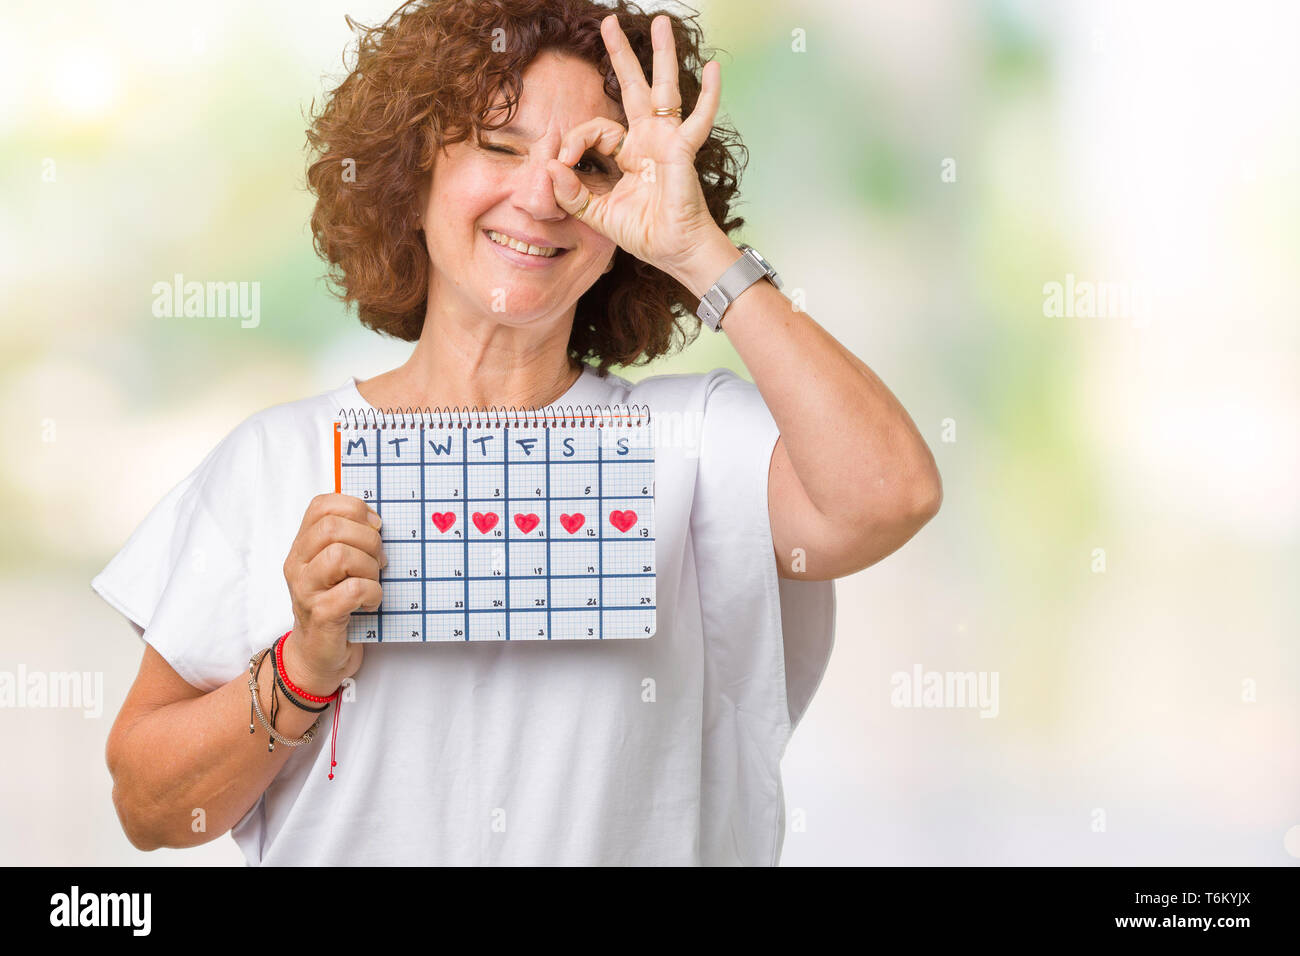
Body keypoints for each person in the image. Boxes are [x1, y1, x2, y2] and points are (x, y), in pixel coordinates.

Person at [93, 0, 941, 865]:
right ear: (410, 177)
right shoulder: (275, 462)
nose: (541, 196)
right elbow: (150, 811)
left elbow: (891, 496)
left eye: (594, 166)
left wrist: (696, 250)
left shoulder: (699, 447)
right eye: (499, 147)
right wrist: (302, 668)